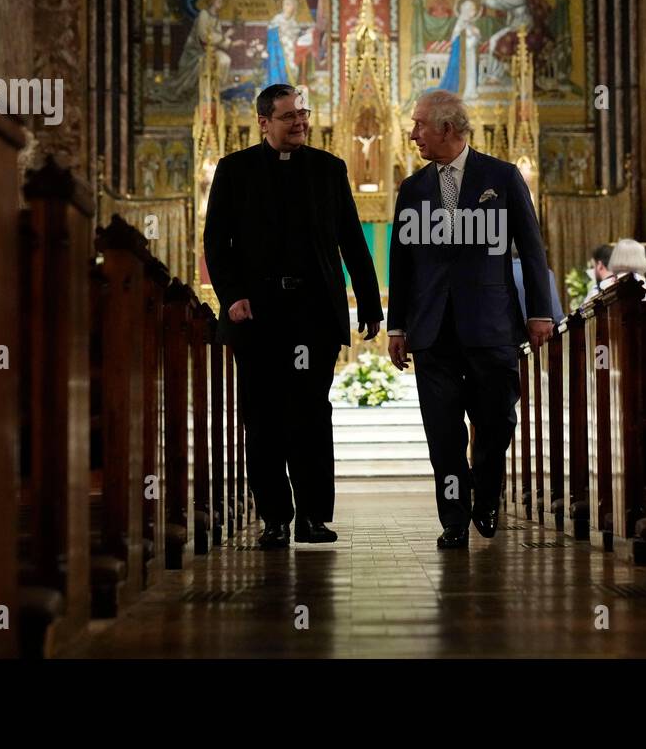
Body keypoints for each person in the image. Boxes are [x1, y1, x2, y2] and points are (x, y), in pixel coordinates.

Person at [203, 84, 382, 549]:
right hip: (257, 317)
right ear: (263, 122)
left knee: (310, 415)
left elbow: (352, 240)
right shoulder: (234, 170)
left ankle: (313, 518)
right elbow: (215, 241)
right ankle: (275, 519)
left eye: (302, 113)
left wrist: (369, 300)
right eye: (288, 116)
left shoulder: (329, 169)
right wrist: (233, 295)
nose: (300, 122)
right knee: (262, 419)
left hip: (312, 316)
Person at [386, 89, 554, 550]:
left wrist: (540, 311)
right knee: (442, 432)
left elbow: (532, 247)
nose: (413, 133)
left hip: (491, 324)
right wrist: (397, 326)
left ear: (447, 127)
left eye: (419, 124)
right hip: (432, 329)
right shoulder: (413, 188)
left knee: (496, 421)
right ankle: (454, 518)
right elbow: (401, 262)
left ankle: (487, 496)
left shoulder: (501, 177)